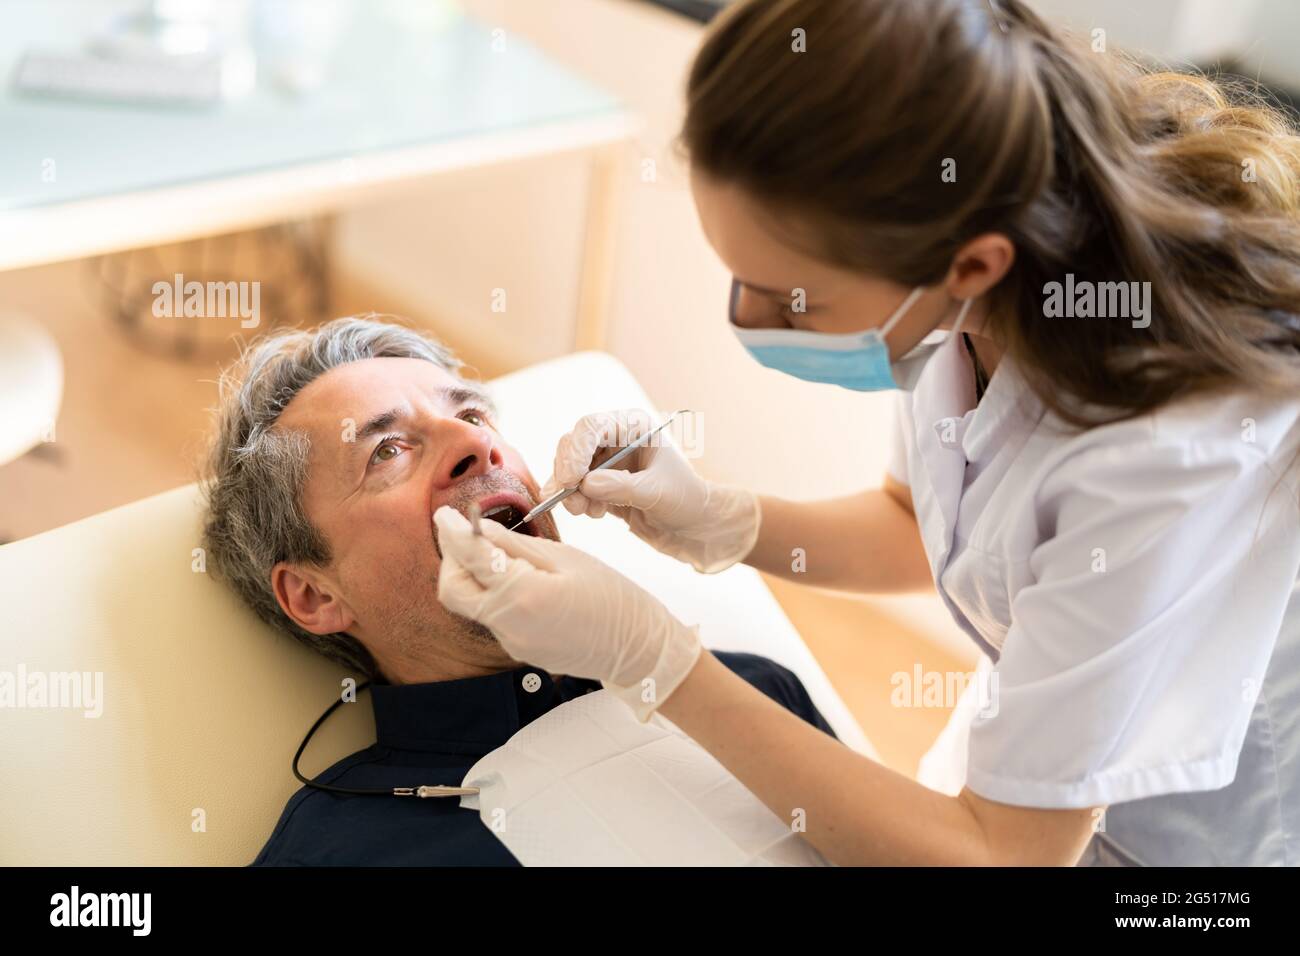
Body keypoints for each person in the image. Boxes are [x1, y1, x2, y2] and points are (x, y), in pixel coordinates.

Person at [434, 0, 1300, 865]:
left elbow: (1001, 855)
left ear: (969, 264)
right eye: (740, 276)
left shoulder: (1162, 449)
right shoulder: (966, 295)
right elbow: (925, 528)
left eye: (789, 296)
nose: (750, 318)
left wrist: (654, 657)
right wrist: (721, 519)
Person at [198, 315, 836, 865]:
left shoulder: (755, 695)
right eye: (388, 449)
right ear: (314, 595)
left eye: (471, 413)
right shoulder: (338, 851)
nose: (475, 442)